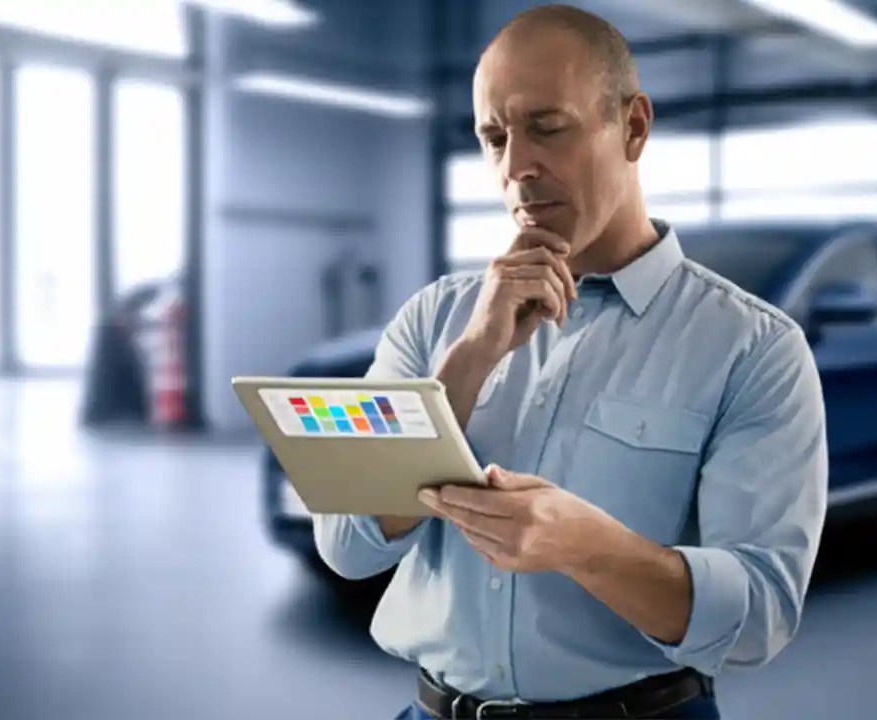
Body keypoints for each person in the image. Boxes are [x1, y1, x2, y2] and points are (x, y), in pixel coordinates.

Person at [314, 5, 828, 719]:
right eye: (494, 138)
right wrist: (473, 355)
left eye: (548, 127)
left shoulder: (754, 348)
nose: (516, 167)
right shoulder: (433, 320)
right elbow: (346, 544)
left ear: (634, 127)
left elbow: (758, 619)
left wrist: (585, 546)